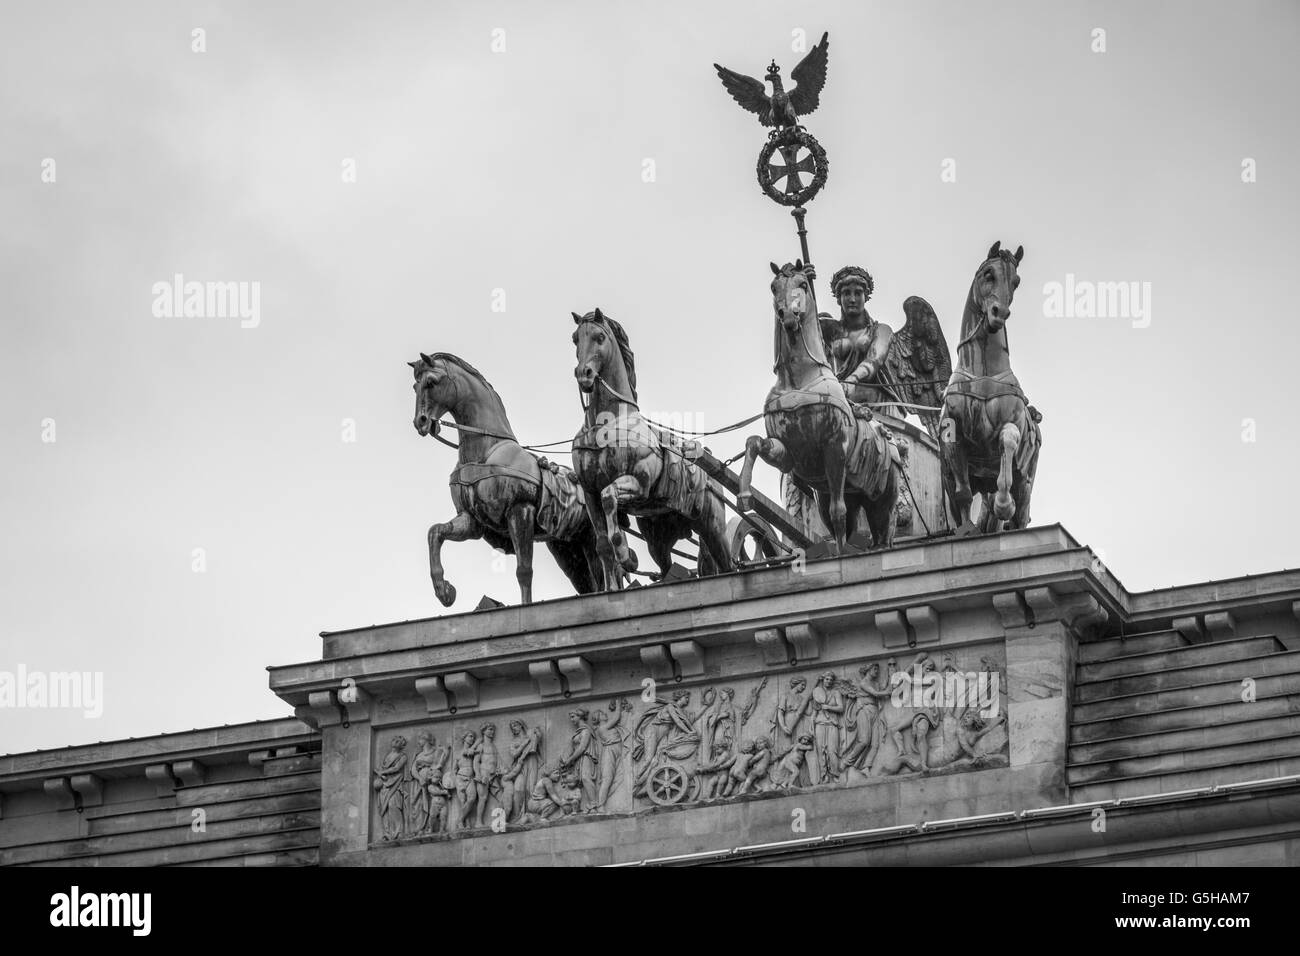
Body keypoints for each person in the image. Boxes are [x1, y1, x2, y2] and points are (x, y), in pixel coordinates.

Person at [818, 265, 899, 410]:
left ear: (866, 296)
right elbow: (799, 325)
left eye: (858, 293)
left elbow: (874, 360)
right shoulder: (827, 329)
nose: (852, 299)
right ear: (838, 298)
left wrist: (852, 380)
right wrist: (802, 286)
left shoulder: (881, 330)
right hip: (839, 400)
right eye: (846, 293)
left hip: (877, 405)